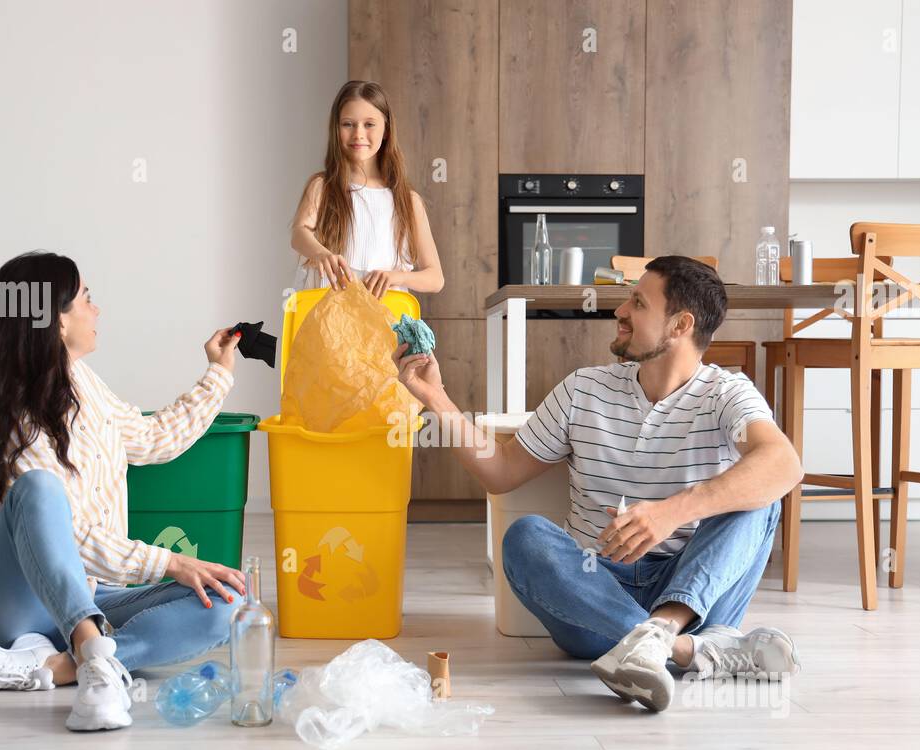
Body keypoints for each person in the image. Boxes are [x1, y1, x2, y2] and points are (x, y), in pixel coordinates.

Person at [394, 256, 805, 713]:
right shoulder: (584, 389)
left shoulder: (726, 394)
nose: (619, 312)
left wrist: (671, 511)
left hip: (696, 597)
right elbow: (502, 470)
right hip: (594, 596)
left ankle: (660, 634)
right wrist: (435, 397)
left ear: (679, 325)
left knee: (760, 497)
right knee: (526, 536)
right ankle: (687, 651)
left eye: (637, 303)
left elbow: (784, 464)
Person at [0, 251, 248, 732]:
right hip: (12, 609)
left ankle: (58, 666)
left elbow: (151, 438)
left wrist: (218, 373)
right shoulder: (15, 412)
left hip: (91, 593)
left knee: (225, 603)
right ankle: (90, 652)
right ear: (54, 321)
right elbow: (73, 536)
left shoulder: (82, 383)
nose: (97, 309)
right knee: (39, 490)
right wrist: (170, 562)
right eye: (86, 297)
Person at [290, 80, 444, 298]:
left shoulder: (408, 200)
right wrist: (322, 254)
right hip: (329, 324)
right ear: (336, 129)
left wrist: (396, 277)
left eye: (369, 124)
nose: (358, 134)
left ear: (386, 130)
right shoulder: (323, 187)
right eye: (348, 124)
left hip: (385, 324)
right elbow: (298, 233)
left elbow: (435, 278)